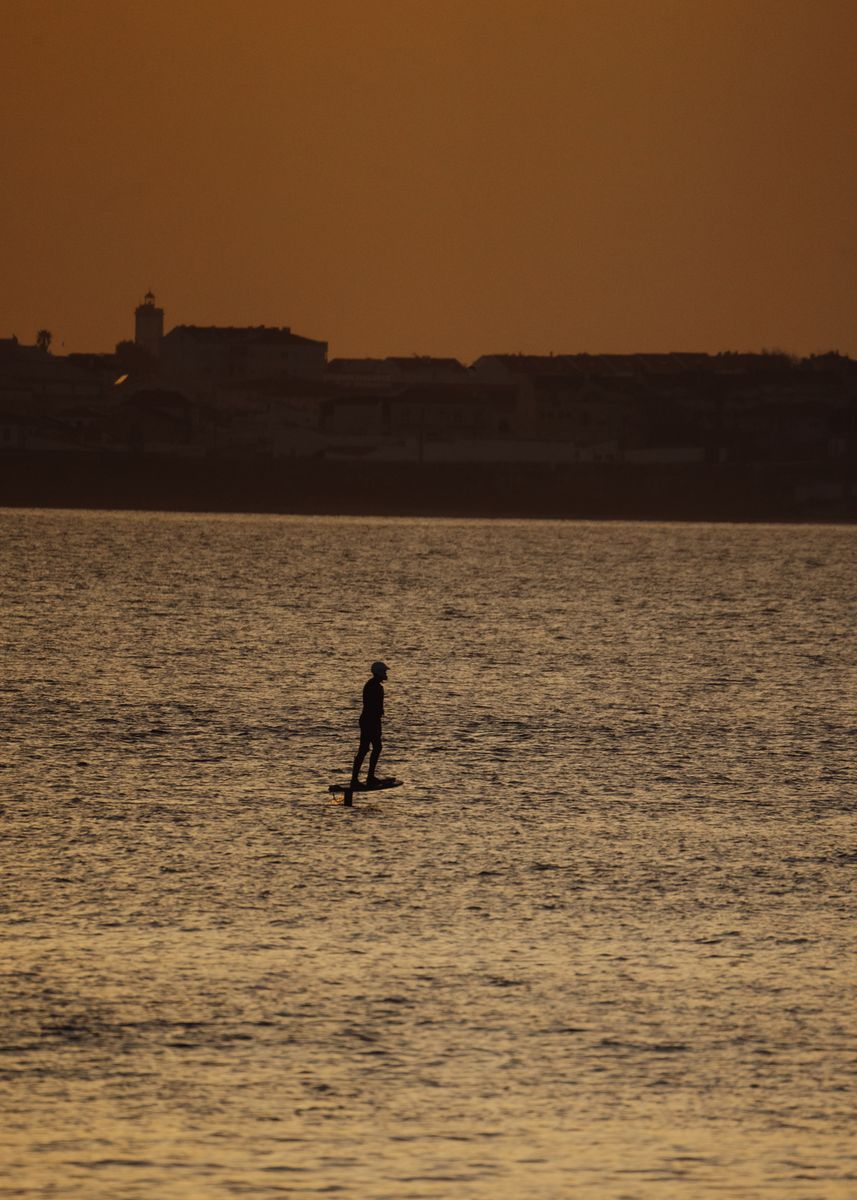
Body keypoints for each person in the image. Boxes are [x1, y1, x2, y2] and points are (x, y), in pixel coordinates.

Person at [351, 661, 388, 789]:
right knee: (368, 748)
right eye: (384, 672)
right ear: (378, 673)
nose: (385, 674)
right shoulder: (374, 686)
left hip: (370, 720)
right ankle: (361, 778)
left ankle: (365, 777)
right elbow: (373, 706)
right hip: (370, 721)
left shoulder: (373, 685)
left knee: (369, 748)